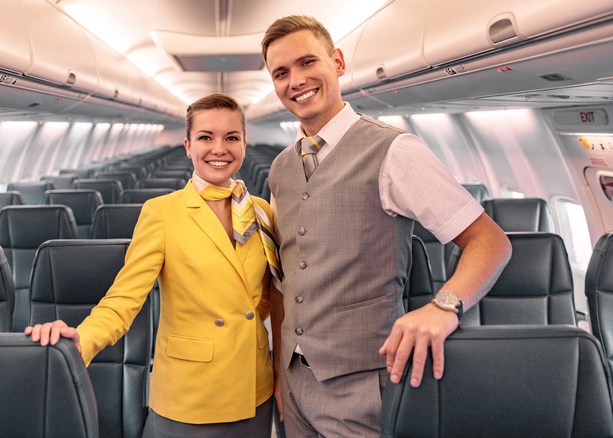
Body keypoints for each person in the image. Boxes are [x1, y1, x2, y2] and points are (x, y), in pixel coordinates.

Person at [261, 15, 513, 436]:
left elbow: (490, 241)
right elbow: (286, 281)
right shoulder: (281, 168)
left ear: (337, 62)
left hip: (364, 386)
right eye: (281, 73)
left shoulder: (395, 151)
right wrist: (277, 371)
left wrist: (444, 306)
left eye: (308, 62)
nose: (297, 80)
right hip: (294, 381)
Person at [26, 93, 281, 437]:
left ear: (244, 144)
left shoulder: (263, 212)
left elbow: (272, 299)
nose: (219, 149)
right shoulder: (162, 213)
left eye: (231, 137)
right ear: (188, 145)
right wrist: (80, 339)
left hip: (253, 387)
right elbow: (125, 299)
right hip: (190, 393)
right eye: (206, 137)